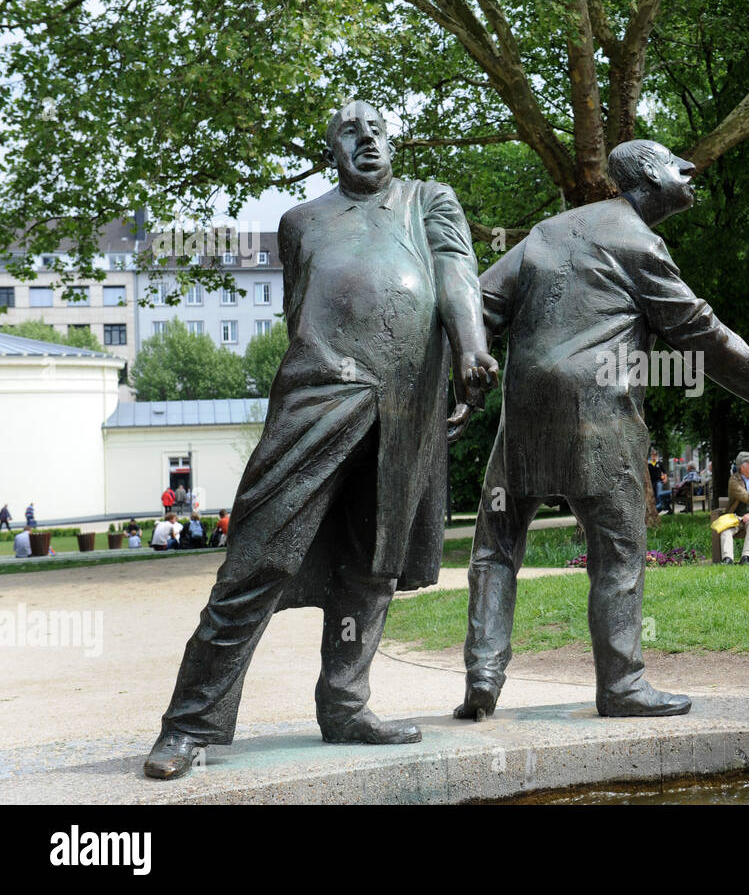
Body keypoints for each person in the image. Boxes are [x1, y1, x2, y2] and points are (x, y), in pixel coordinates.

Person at [143, 99, 497, 780]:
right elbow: (299, 311)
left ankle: (345, 703)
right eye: (350, 131)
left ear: (392, 139)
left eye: (377, 129)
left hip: (405, 397)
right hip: (320, 389)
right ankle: (189, 723)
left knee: (374, 559)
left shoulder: (430, 201)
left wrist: (471, 349)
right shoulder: (300, 221)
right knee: (259, 552)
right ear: (331, 148)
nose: (367, 139)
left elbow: (457, 275)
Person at [457, 138, 749, 722]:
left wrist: (467, 373)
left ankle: (482, 676)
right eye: (675, 162)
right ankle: (622, 685)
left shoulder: (547, 232)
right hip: (599, 413)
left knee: (496, 545)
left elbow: (479, 303)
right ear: (648, 177)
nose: (690, 167)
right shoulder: (638, 241)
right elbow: (702, 334)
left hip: (525, 411)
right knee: (619, 554)